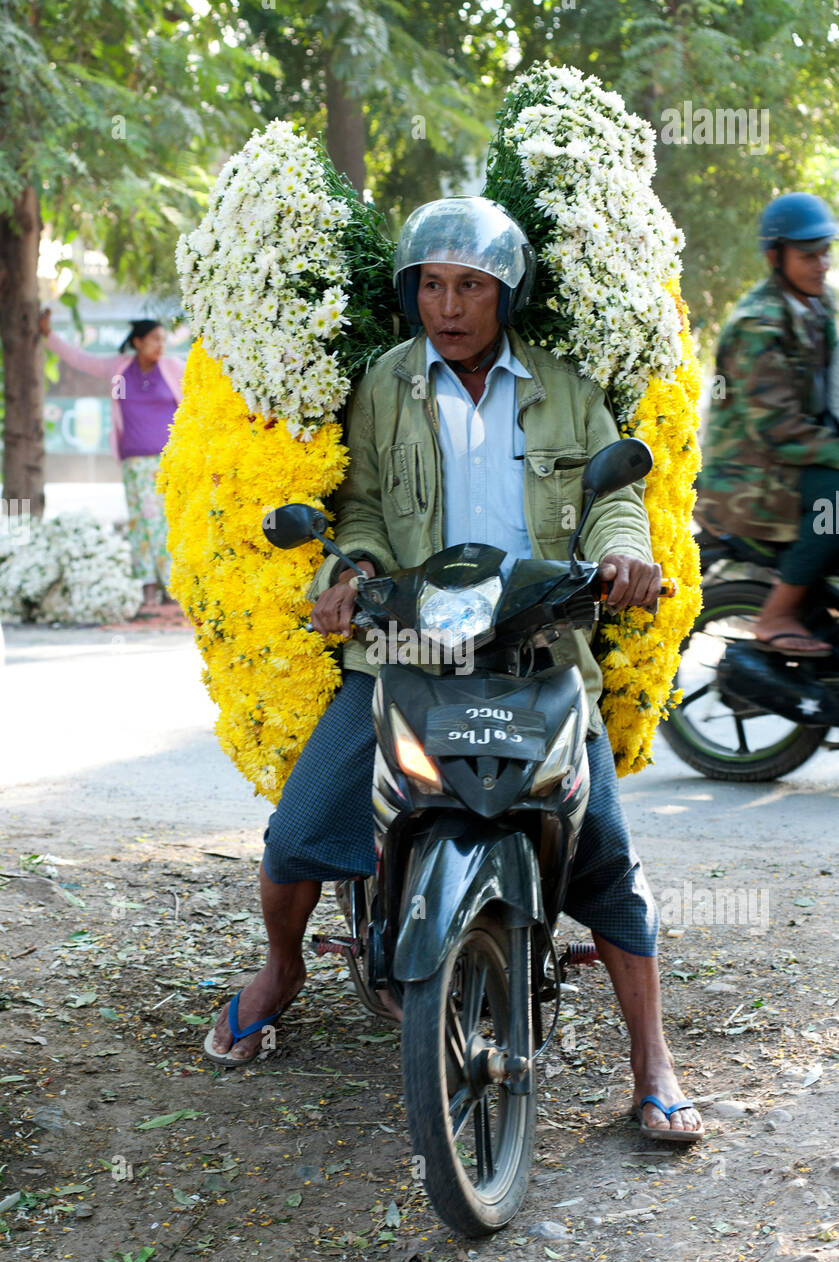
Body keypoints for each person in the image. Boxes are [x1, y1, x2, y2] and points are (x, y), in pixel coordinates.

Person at [206, 197, 704, 1143]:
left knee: (605, 852)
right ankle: (283, 969)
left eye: (470, 285)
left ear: (504, 294)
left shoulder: (563, 388)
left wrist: (623, 557)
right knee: (297, 830)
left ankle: (652, 1060)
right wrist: (348, 569)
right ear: (411, 293)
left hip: (537, 642)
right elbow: (354, 504)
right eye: (431, 284)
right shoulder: (383, 384)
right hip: (406, 644)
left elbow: (613, 498)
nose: (449, 304)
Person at [696, 192, 839, 655]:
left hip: (795, 456)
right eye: (808, 255)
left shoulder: (820, 306)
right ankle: (776, 613)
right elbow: (778, 431)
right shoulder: (758, 323)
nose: (820, 264)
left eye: (825, 252)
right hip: (751, 474)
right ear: (775, 256)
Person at [40, 310, 185, 609]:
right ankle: (148, 587)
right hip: (134, 461)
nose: (161, 345)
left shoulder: (172, 368)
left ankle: (171, 586)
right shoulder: (119, 369)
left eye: (163, 340)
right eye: (155, 339)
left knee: (163, 521)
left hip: (169, 462)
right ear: (138, 341)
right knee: (140, 523)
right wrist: (48, 336)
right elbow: (80, 360)